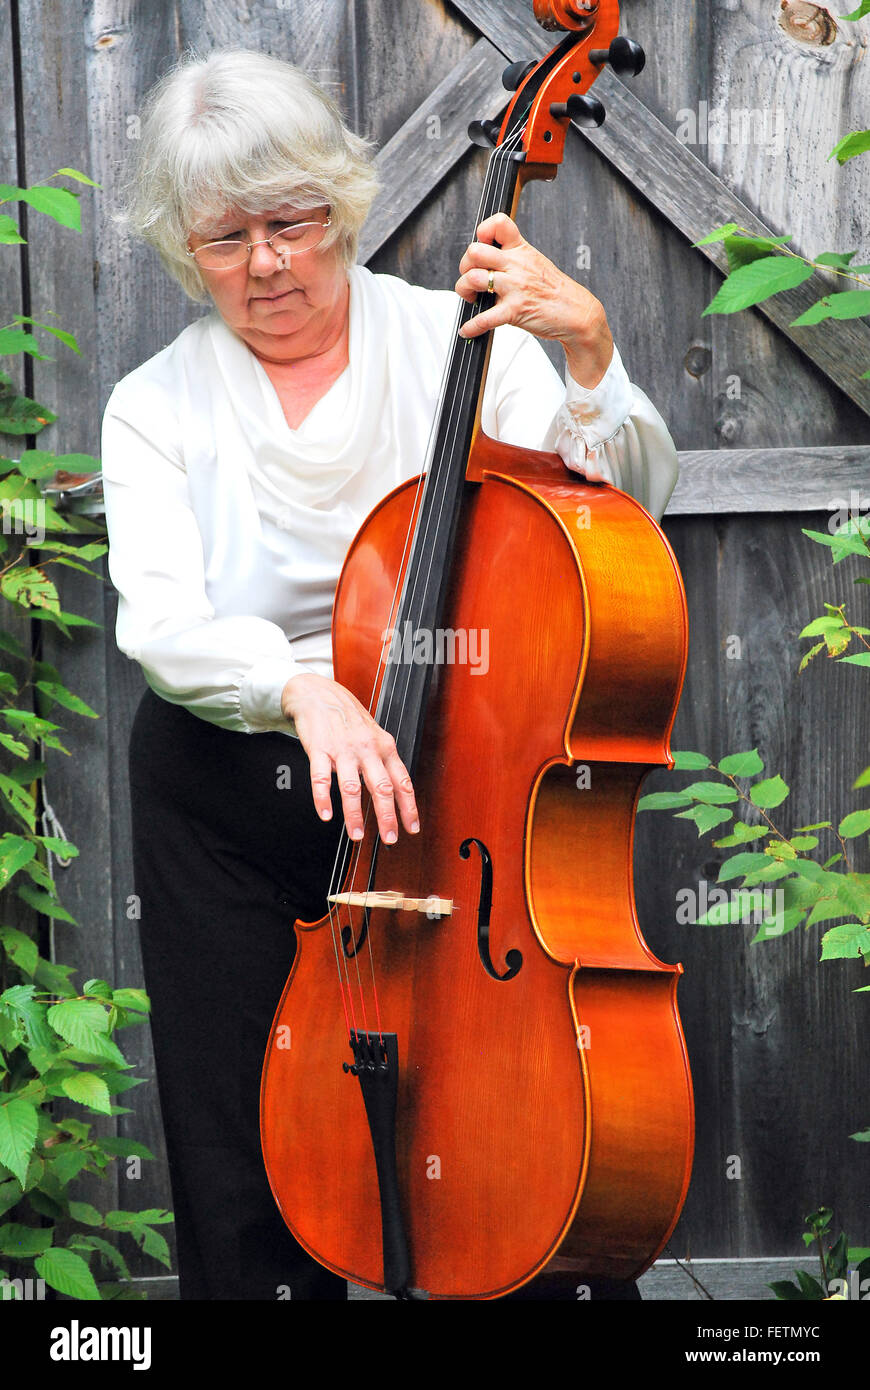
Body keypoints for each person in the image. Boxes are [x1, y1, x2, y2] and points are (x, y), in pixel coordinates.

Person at [101, 46, 681, 1302]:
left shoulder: (457, 340)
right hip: (238, 785)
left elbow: (611, 521)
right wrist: (302, 690)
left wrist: (588, 352)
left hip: (456, 773)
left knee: (504, 1115)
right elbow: (160, 619)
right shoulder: (156, 405)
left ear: (342, 206)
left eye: (294, 221)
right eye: (225, 236)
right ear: (181, 249)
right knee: (240, 1140)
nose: (267, 263)